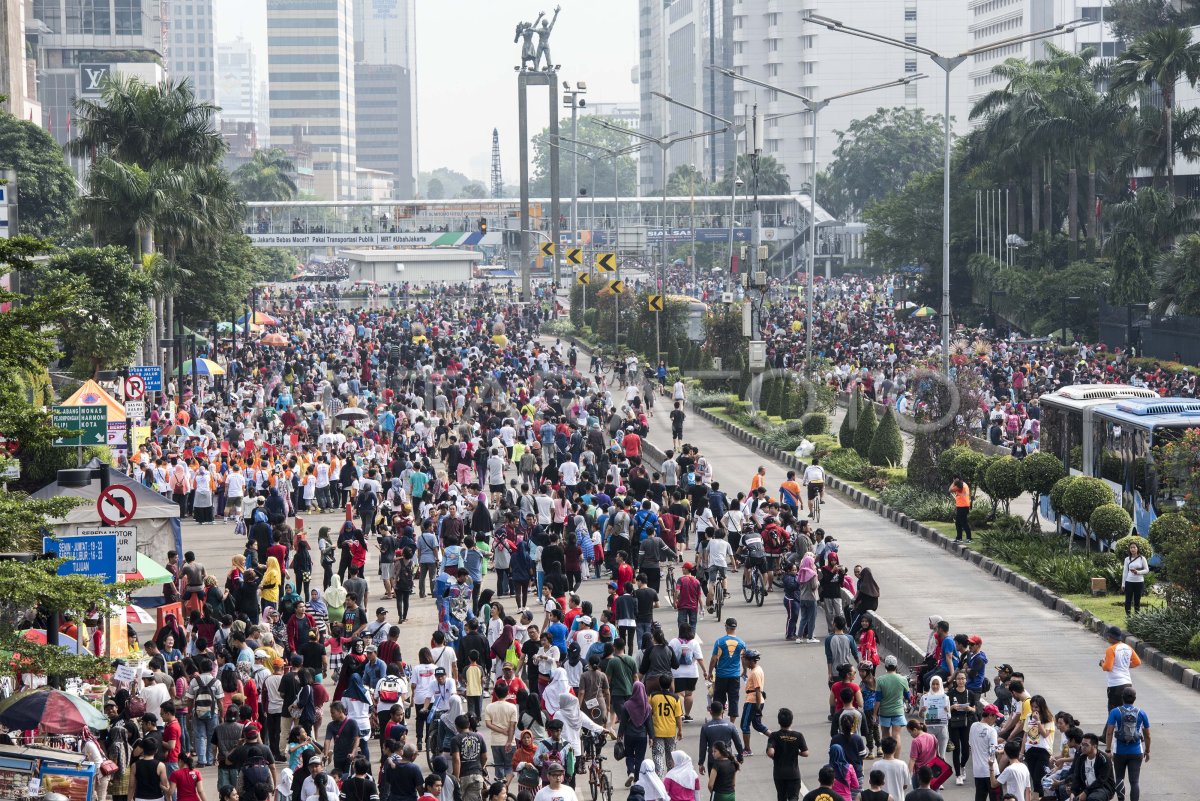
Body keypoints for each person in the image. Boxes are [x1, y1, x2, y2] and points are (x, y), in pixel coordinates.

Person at [1103, 687, 1150, 801]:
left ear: (1122, 698)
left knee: (1119, 778)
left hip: (1119, 751)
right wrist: (1147, 751)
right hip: (1136, 751)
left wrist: (1108, 750)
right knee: (1134, 782)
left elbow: (1109, 732)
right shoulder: (1141, 712)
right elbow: (1148, 735)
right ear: (1134, 698)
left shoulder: (1115, 712)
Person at [765, 707, 808, 801]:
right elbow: (805, 753)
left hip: (779, 773)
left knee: (781, 797)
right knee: (793, 797)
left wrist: (773, 754)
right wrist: (798, 753)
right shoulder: (798, 735)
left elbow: (770, 752)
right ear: (791, 721)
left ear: (779, 721)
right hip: (793, 773)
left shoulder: (774, 736)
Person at [708, 619, 745, 718]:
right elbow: (743, 659)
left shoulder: (720, 641)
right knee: (733, 700)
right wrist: (745, 670)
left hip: (721, 676)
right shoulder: (741, 643)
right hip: (735, 676)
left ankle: (720, 720)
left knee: (719, 699)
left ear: (726, 627)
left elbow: (714, 658)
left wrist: (710, 672)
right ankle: (732, 725)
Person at [1099, 627, 1140, 712]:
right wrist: (1124, 665)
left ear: (1112, 637)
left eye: (1108, 636)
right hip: (1128, 684)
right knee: (1125, 712)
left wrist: (1102, 663)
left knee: (1113, 713)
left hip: (1116, 686)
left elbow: (1108, 667)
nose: (1107, 638)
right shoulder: (1128, 647)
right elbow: (1137, 662)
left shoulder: (1111, 649)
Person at [450, 713, 488, 801]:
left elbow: (456, 759)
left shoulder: (455, 740)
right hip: (477, 775)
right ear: (469, 724)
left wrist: (456, 777)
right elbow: (485, 757)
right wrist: (480, 767)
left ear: (457, 727)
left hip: (463, 775)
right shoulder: (479, 737)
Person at [650, 674, 683, 775]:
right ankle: (670, 777)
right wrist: (680, 730)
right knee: (671, 756)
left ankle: (659, 776)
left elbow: (649, 712)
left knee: (658, 754)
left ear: (659, 684)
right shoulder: (675, 698)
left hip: (657, 731)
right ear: (670, 684)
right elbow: (678, 716)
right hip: (670, 731)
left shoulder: (653, 696)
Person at [969, 705, 1000, 801]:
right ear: (990, 715)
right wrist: (1002, 750)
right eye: (995, 717)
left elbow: (970, 743)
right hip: (991, 771)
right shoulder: (992, 731)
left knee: (979, 798)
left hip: (978, 771)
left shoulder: (973, 726)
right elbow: (993, 751)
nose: (996, 719)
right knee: (996, 798)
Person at [1120, 543, 1148, 617]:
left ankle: (1136, 616)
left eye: (1134, 547)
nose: (1132, 549)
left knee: (1137, 600)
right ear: (1129, 549)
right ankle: (1128, 616)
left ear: (1137, 548)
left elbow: (1147, 570)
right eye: (1131, 547)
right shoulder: (1127, 559)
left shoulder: (1142, 558)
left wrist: (1138, 572)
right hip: (1129, 582)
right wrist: (1123, 584)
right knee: (1128, 600)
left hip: (1139, 582)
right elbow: (1125, 572)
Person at [949, 479, 971, 543]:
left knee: (964, 523)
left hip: (963, 506)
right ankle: (959, 538)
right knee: (958, 523)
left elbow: (950, 490)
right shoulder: (964, 484)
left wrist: (953, 482)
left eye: (953, 479)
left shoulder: (960, 485)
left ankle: (969, 538)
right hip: (962, 506)